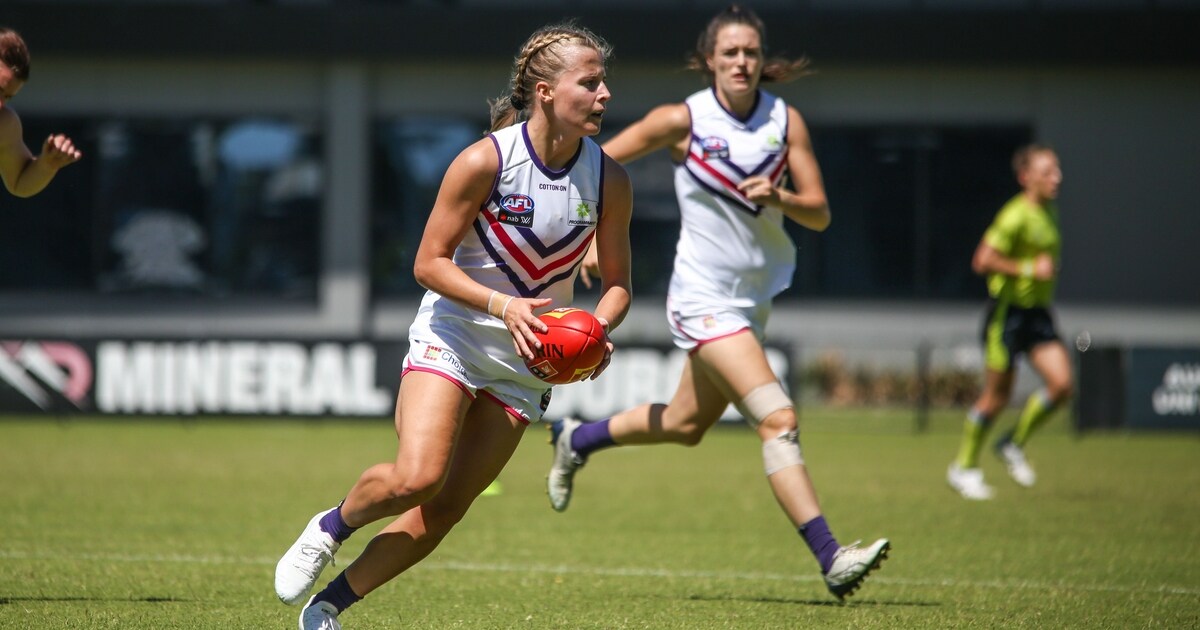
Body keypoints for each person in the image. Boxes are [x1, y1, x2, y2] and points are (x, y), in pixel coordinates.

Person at [274, 23, 632, 629]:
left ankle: (328, 608)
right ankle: (329, 527)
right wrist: (504, 306)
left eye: (605, 85)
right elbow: (427, 263)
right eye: (590, 83)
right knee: (417, 478)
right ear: (545, 91)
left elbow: (619, 282)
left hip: (527, 364)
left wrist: (594, 331)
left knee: (444, 511)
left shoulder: (609, 178)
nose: (604, 96)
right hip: (457, 336)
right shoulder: (483, 161)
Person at [546, 4, 888, 601]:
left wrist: (779, 195)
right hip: (702, 298)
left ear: (762, 61)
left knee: (684, 425)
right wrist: (590, 241)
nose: (741, 61)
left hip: (751, 301)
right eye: (730, 52)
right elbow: (598, 163)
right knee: (778, 420)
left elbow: (821, 212)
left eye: (751, 52)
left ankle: (577, 439)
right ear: (709, 61)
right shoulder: (684, 119)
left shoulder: (786, 122)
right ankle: (831, 556)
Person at [947, 143, 1071, 500]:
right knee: (996, 398)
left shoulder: (1050, 213)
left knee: (1062, 385)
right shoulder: (1014, 216)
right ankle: (963, 468)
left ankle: (1012, 443)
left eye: (1057, 170)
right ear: (1025, 177)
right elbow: (982, 260)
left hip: (1038, 314)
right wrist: (1030, 269)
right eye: (1047, 171)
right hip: (1008, 314)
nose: (1056, 178)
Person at [0, 27, 82, 197]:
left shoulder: (4, 124)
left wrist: (47, 165)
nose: (0, 104)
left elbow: (19, 182)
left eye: (7, 97)